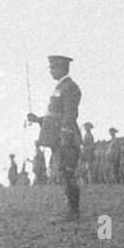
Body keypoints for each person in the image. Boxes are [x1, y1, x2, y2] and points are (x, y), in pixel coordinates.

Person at [27, 54, 82, 219]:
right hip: (56, 136)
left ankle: (73, 210)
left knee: (67, 172)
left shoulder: (70, 87)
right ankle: (70, 208)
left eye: (53, 68)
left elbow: (69, 115)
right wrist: (38, 119)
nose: (50, 71)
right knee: (63, 172)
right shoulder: (59, 87)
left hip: (65, 137)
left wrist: (65, 136)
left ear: (62, 68)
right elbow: (53, 116)